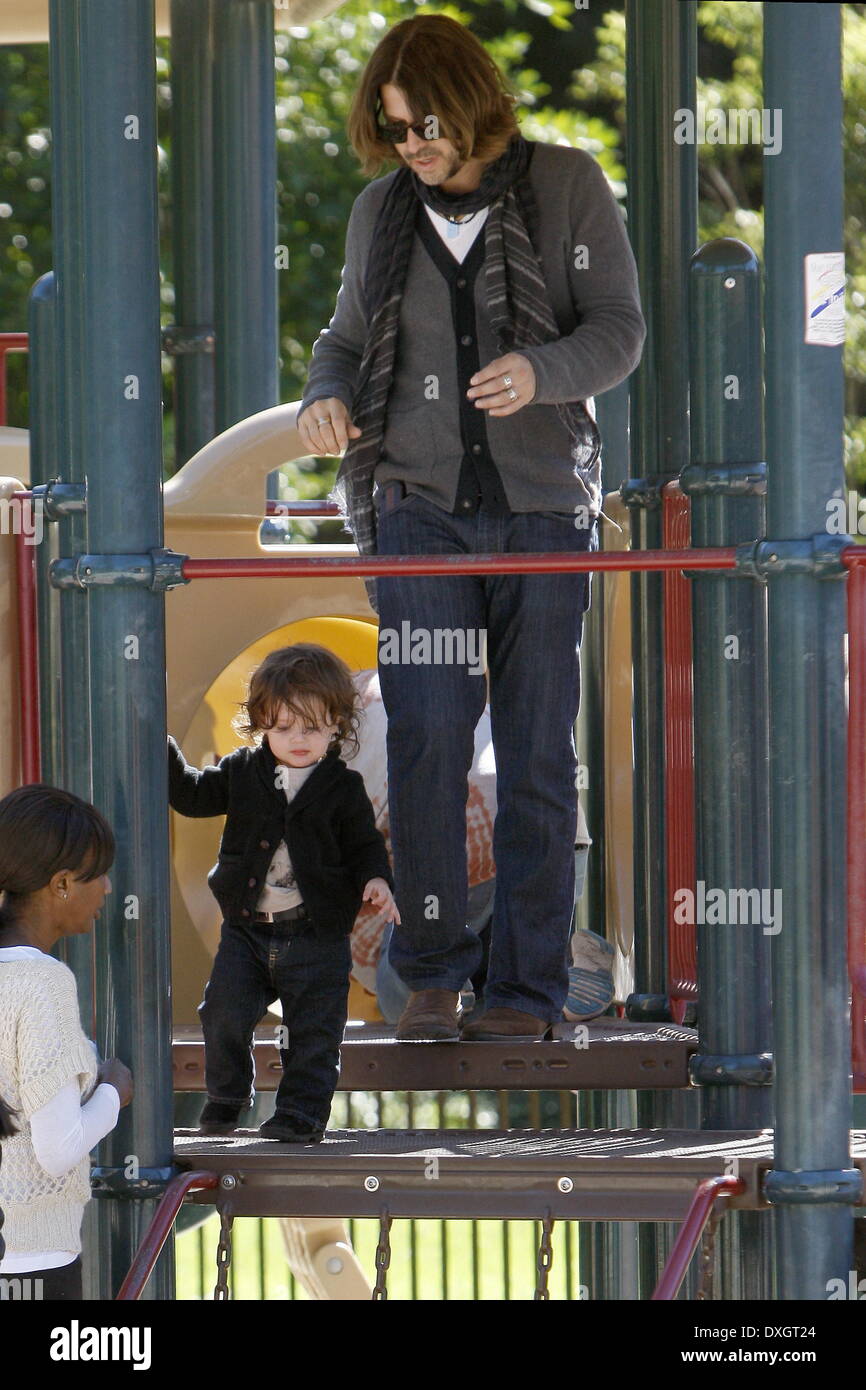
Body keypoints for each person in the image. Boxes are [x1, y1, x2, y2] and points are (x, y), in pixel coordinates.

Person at [297, 15, 645, 1041]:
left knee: (539, 749)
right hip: (415, 507)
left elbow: (617, 330)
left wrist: (542, 371)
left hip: (541, 506)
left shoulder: (566, 183)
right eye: (393, 128)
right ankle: (434, 969)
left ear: (473, 99)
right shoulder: (379, 211)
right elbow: (345, 338)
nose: (411, 145)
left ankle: (526, 991)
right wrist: (326, 395)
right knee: (427, 735)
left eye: (424, 122)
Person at [168, 643, 398, 1142]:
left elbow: (365, 847)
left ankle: (301, 1115)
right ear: (261, 723)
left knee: (313, 1032)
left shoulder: (342, 787)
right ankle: (227, 1098)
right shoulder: (242, 773)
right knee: (223, 1012)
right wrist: (161, 749)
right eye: (283, 726)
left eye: (312, 727)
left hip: (316, 936)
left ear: (336, 725)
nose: (298, 739)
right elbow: (190, 794)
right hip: (248, 932)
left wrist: (376, 880)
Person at [0, 785, 132, 1301]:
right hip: (30, 1263)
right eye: (95, 873)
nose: (106, 888)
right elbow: (59, 1148)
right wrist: (114, 1092)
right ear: (59, 885)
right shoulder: (44, 983)